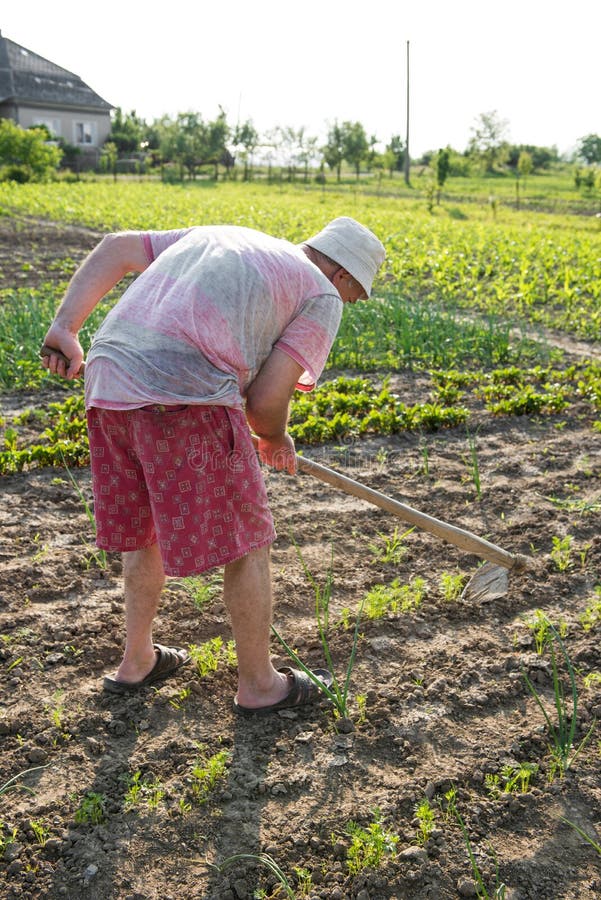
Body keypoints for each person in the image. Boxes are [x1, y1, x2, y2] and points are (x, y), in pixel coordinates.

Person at [41, 216, 385, 714]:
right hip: (184, 392)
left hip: (109, 382)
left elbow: (117, 249)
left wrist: (64, 327)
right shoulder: (320, 293)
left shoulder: (222, 236)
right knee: (248, 541)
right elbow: (266, 403)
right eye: (355, 296)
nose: (349, 304)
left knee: (147, 528)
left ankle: (136, 659)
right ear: (344, 277)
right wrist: (274, 437)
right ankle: (260, 685)